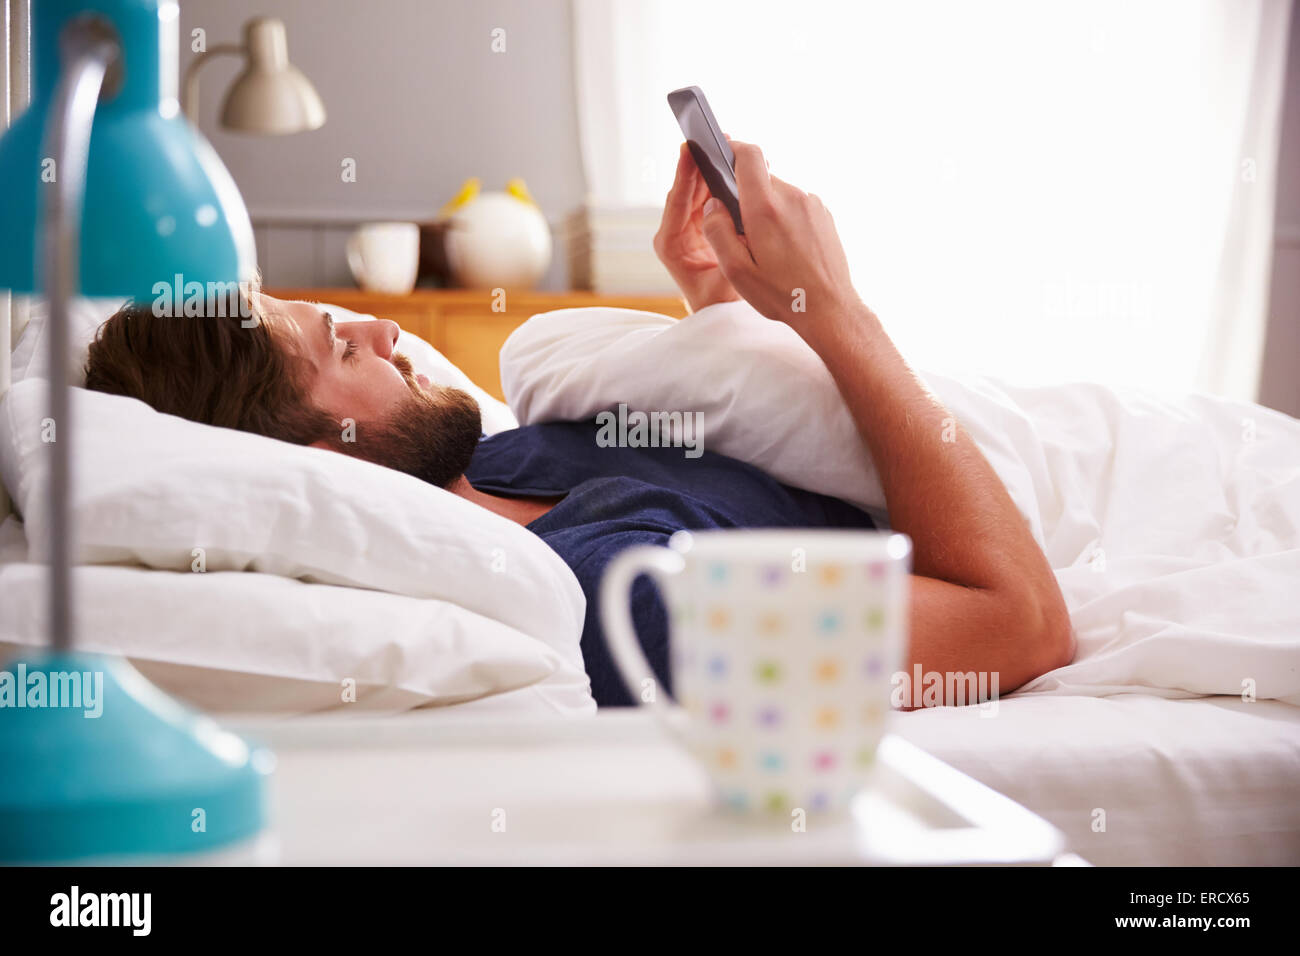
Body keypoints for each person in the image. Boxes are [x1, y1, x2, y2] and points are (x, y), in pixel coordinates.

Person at [85, 141, 1073, 706]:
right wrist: (833, 309)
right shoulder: (619, 596)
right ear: (312, 460)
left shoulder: (507, 449)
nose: (386, 328)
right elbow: (1019, 626)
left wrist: (719, 319)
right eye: (342, 349)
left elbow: (749, 455)